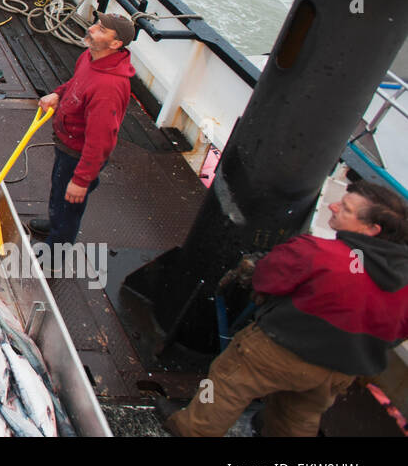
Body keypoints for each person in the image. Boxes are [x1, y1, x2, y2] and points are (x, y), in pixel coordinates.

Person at [162, 180, 408, 437]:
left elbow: (266, 279)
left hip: (279, 353)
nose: (334, 206)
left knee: (225, 386)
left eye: (345, 209)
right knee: (299, 418)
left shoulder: (316, 252)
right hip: (339, 371)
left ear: (371, 229)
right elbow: (397, 333)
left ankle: (191, 431)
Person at [28, 13, 136, 245]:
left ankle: (56, 252)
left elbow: (101, 140)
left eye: (102, 29)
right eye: (96, 24)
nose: (92, 28)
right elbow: (76, 83)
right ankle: (54, 223)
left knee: (70, 203)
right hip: (66, 143)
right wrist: (58, 93)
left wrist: (82, 180)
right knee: (59, 191)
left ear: (116, 44)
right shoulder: (90, 57)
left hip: (79, 155)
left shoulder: (109, 87)